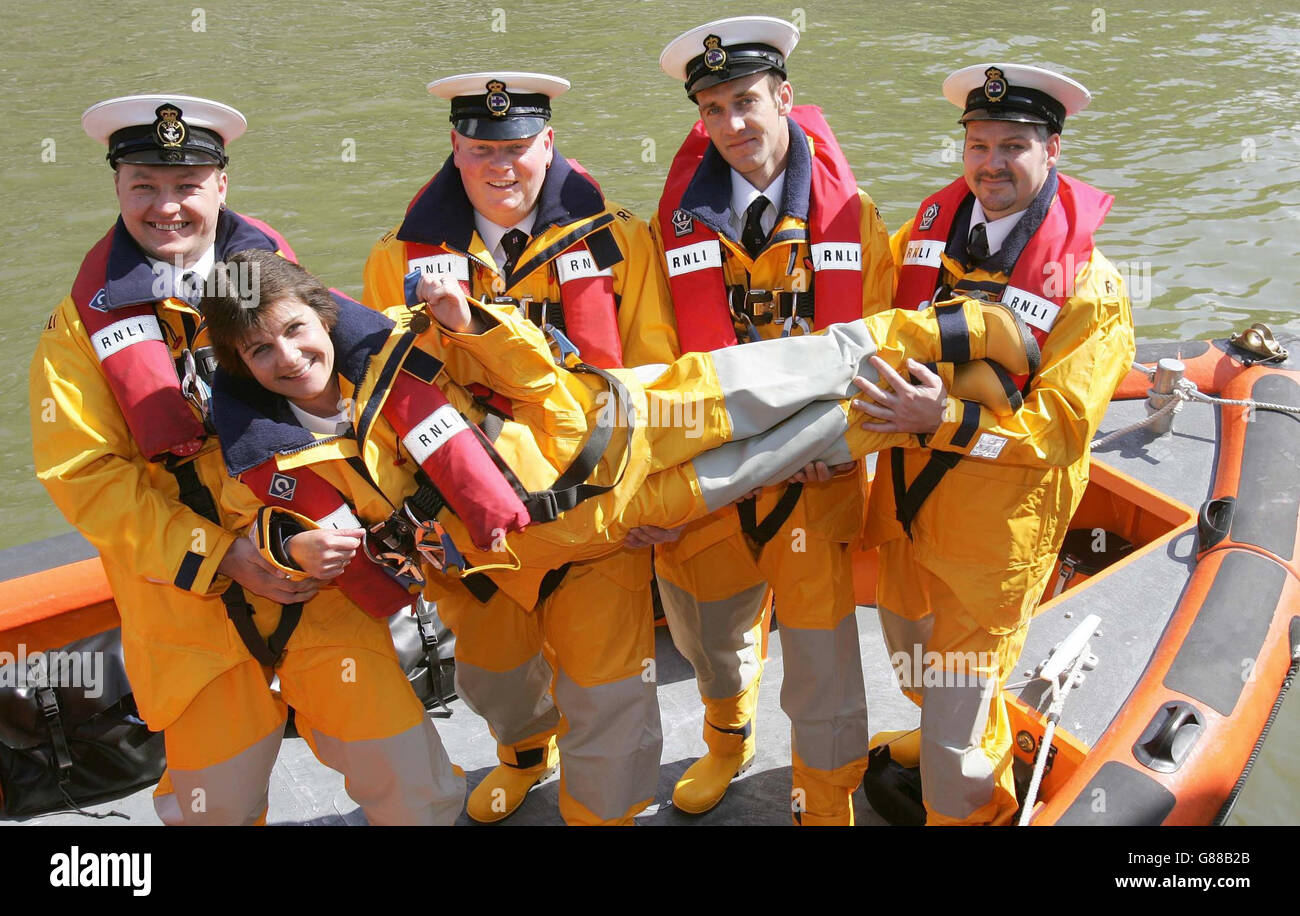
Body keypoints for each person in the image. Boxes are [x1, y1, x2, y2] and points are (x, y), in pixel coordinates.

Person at [203, 250, 1038, 640]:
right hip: (608, 520)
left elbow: (534, 372)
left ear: (321, 315)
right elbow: (290, 546)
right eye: (260, 351)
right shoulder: (269, 466)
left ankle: (954, 327)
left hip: (627, 420)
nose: (289, 358)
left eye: (295, 331)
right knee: (808, 436)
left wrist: (473, 322)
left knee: (803, 368)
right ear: (238, 365)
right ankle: (964, 390)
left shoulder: (406, 346)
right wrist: (301, 549)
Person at [29, 95, 464, 825]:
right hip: (187, 604)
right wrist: (226, 556)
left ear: (221, 187)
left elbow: (360, 402)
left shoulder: (275, 278)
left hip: (319, 582)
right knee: (215, 809)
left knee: (411, 781)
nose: (166, 206)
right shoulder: (77, 332)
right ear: (116, 187)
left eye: (186, 185)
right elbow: (87, 479)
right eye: (144, 185)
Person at [361, 72, 678, 825]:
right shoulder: (397, 258)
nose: (500, 166)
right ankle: (525, 752)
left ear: (549, 143)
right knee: (494, 673)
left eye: (517, 147)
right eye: (480, 150)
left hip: (599, 511)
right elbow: (385, 395)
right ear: (454, 148)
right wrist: (410, 518)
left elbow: (655, 376)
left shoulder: (620, 238)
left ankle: (610, 812)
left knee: (610, 692)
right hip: (476, 522)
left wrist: (654, 495)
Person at [858, 64, 1136, 825]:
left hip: (997, 535)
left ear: (1053, 149)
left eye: (1012, 145)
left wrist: (938, 419)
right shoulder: (926, 238)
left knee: (957, 727)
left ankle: (973, 810)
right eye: (977, 144)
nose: (989, 164)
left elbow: (1060, 428)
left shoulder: (1091, 287)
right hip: (909, 509)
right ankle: (941, 727)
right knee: (913, 654)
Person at [649, 16, 896, 824]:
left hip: (816, 476)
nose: (732, 125)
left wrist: (838, 443)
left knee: (824, 660)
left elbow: (881, 342)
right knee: (708, 640)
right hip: (712, 479)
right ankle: (727, 738)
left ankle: (825, 796)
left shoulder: (852, 218)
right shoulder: (670, 227)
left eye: (747, 101)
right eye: (712, 109)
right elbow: (653, 355)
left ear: (784, 97)